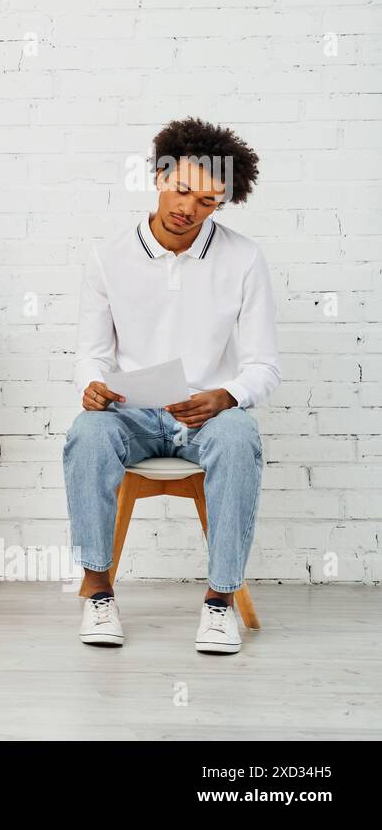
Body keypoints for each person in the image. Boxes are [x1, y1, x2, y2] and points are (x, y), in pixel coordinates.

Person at [65, 117, 278, 655]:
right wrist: (93, 386)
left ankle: (219, 603)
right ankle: (97, 591)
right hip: (132, 413)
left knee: (239, 436)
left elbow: (263, 366)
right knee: (86, 434)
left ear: (223, 203)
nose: (189, 208)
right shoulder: (108, 257)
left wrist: (225, 397)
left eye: (208, 201)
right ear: (159, 177)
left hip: (206, 415)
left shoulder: (244, 258)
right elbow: (91, 356)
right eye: (182, 189)